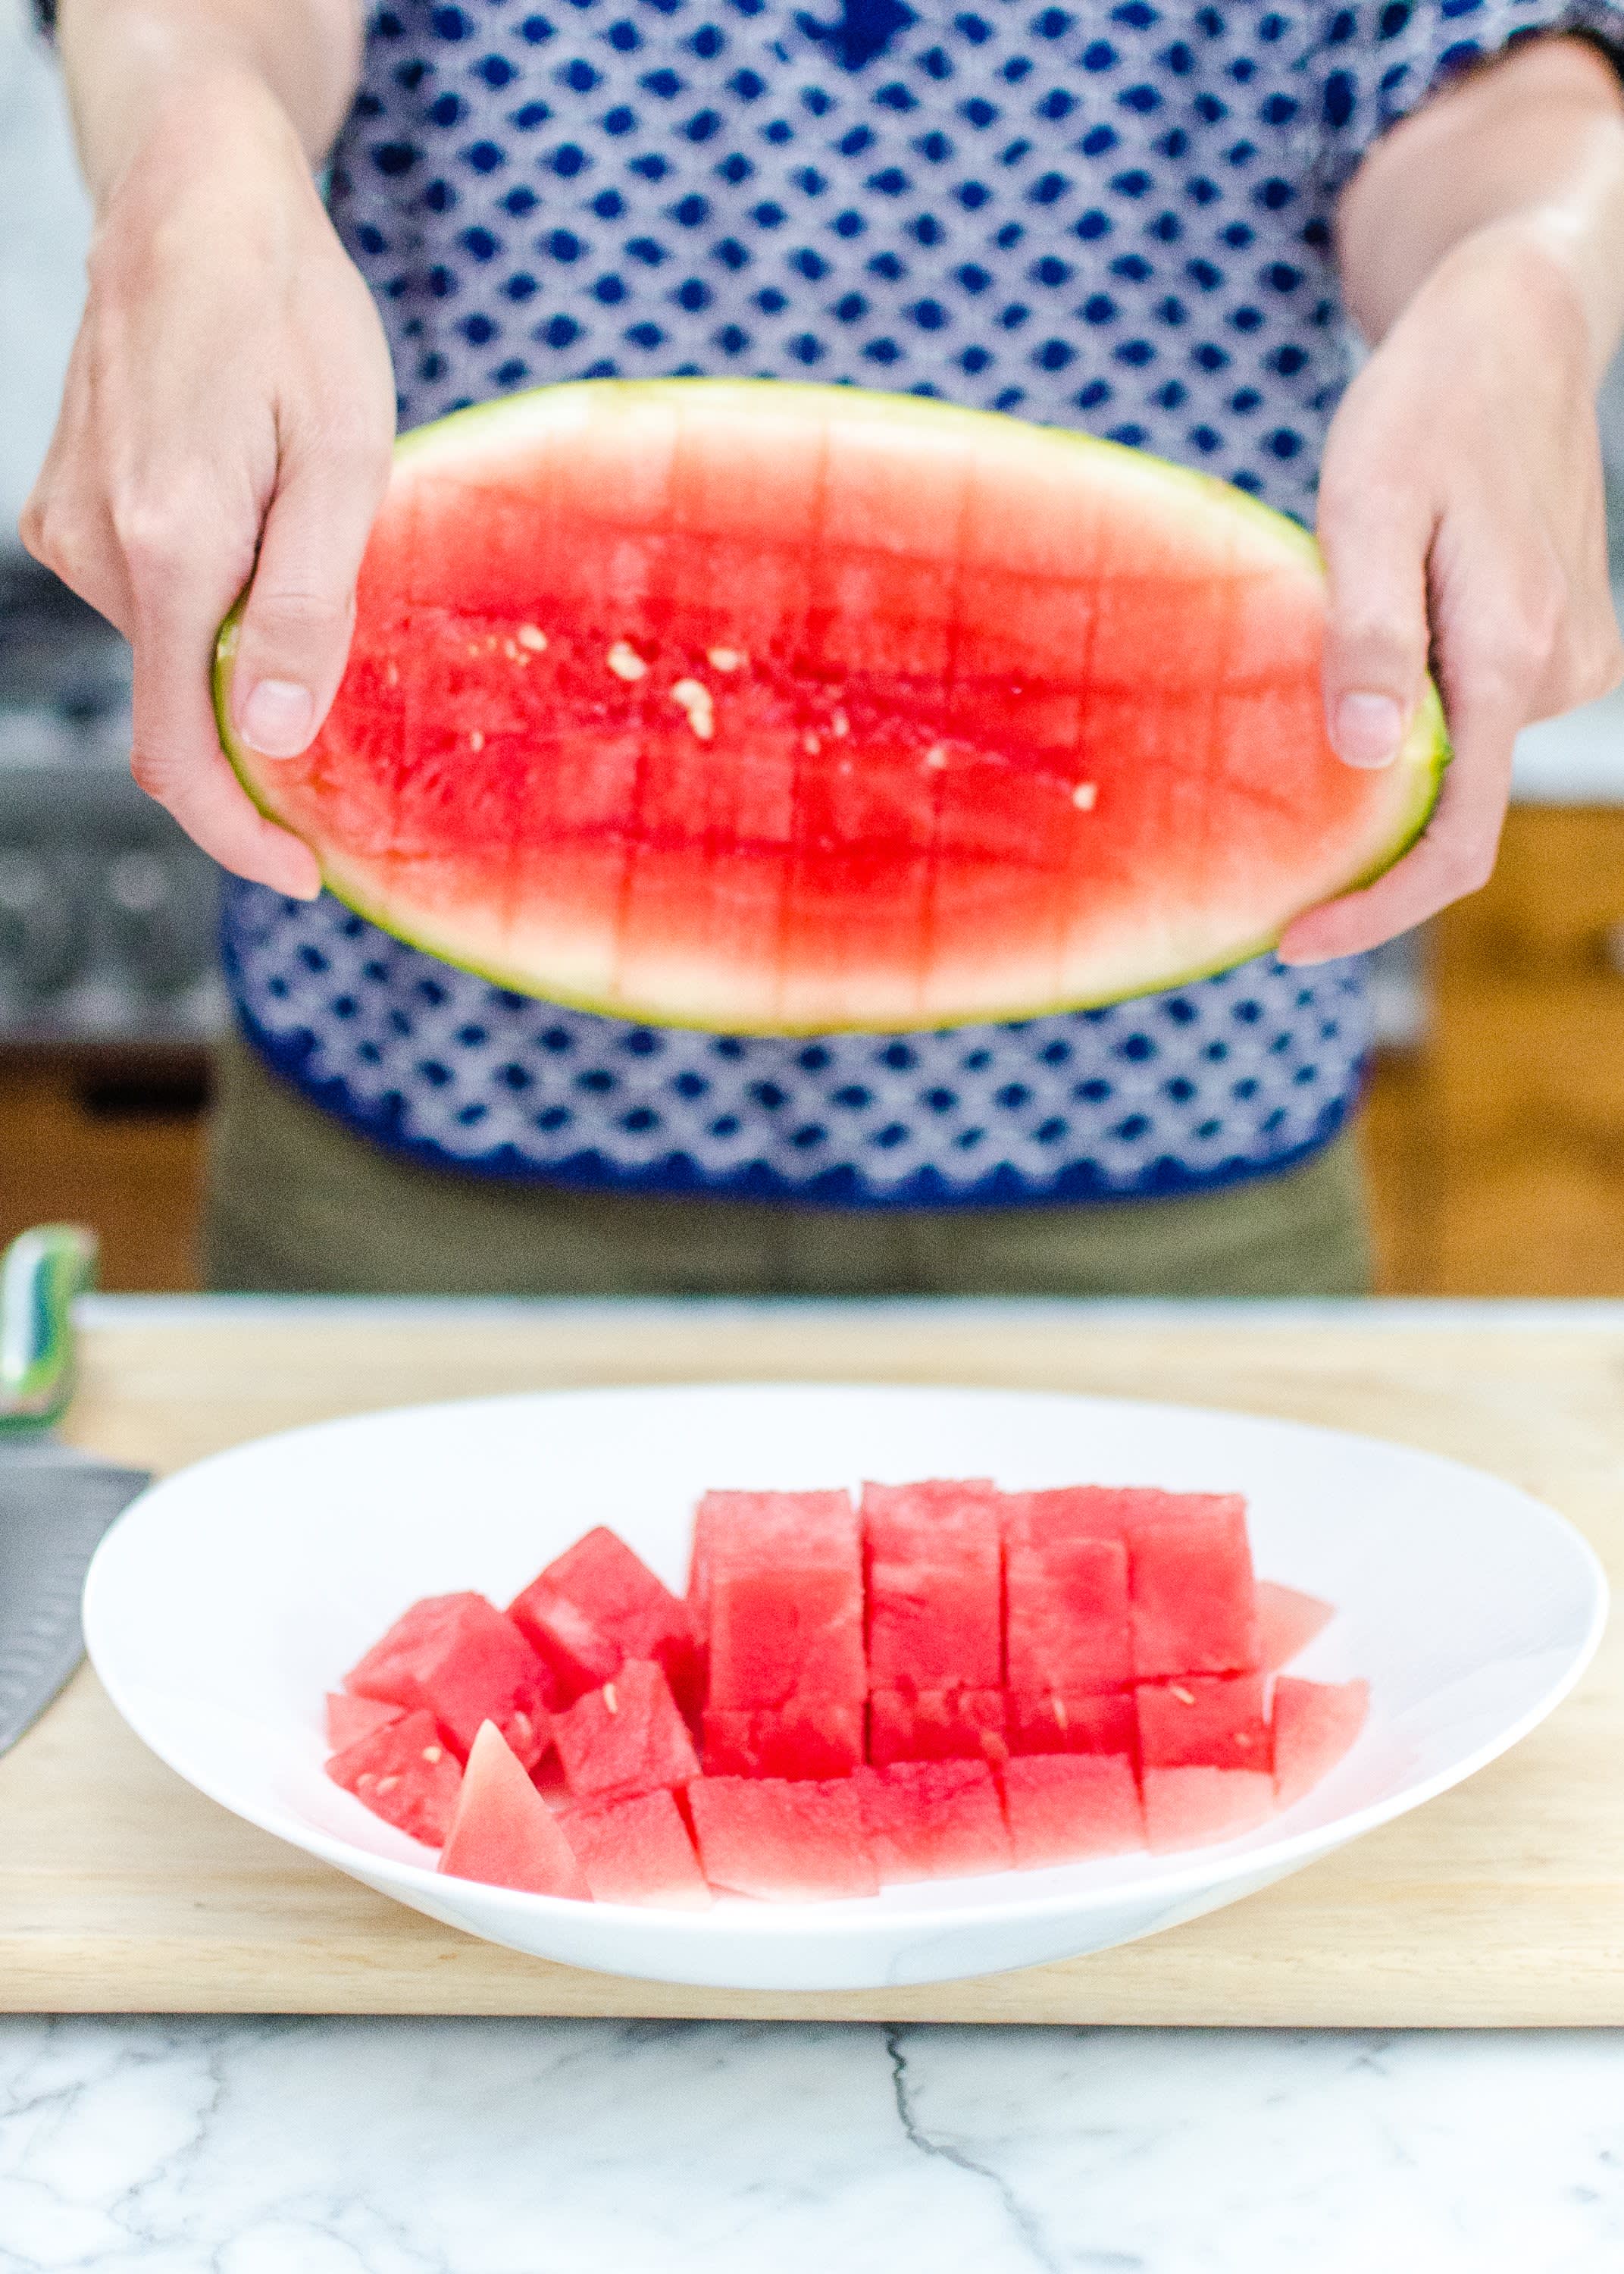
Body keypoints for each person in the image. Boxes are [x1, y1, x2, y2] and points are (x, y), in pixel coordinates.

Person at [23, 0, 1624, 1297]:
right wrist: (199, 142)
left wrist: (1528, 266)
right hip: (423, 1159)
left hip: (1166, 1178)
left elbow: (1470, 68)